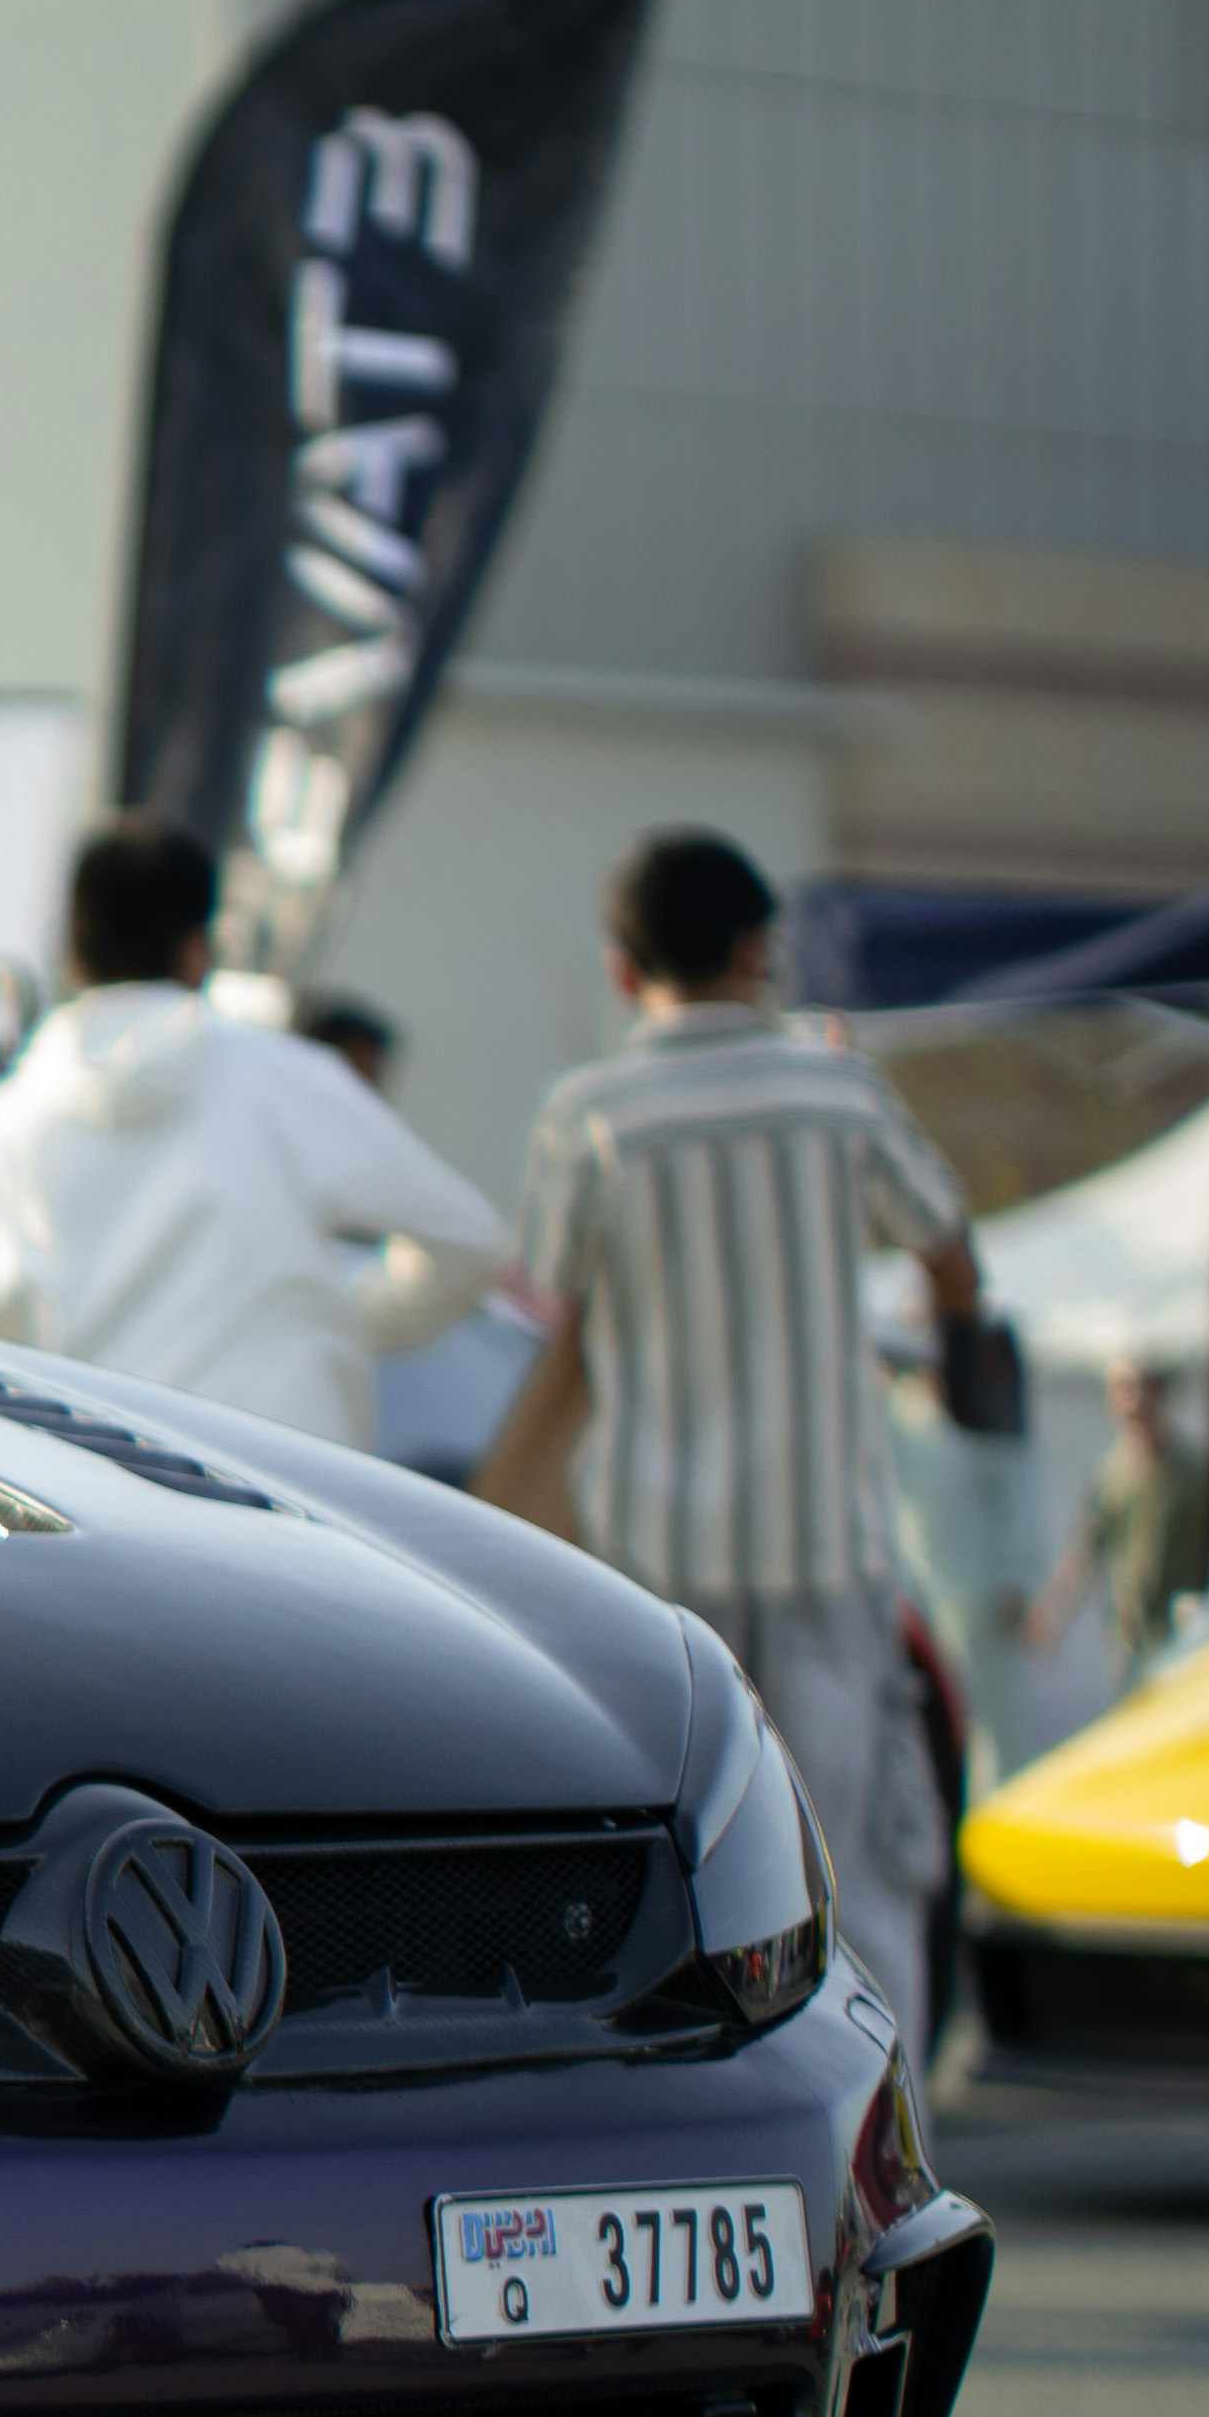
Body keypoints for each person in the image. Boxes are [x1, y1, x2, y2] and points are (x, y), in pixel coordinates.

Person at [481, 827, 980, 2040]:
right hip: (828, 1546)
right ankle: (880, 2133)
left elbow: (550, 1301)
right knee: (856, 1857)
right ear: (760, 950)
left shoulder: (592, 1114)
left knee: (686, 1863)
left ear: (621, 968)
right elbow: (950, 1249)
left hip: (658, 1573)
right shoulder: (838, 1090)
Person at [0, 816, 509, 1445]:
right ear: (198, 948)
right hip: (289, 1488)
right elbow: (470, 1240)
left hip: (95, 1498)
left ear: (72, 954)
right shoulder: (289, 1081)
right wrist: (344, 1312)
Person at [1031, 1352, 1209, 1676]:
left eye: (1142, 1387)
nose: (1133, 1400)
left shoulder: (1194, 1470)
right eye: (1122, 1389)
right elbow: (1086, 1549)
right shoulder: (1111, 1473)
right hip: (1128, 1638)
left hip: (1187, 1634)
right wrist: (1052, 1611)